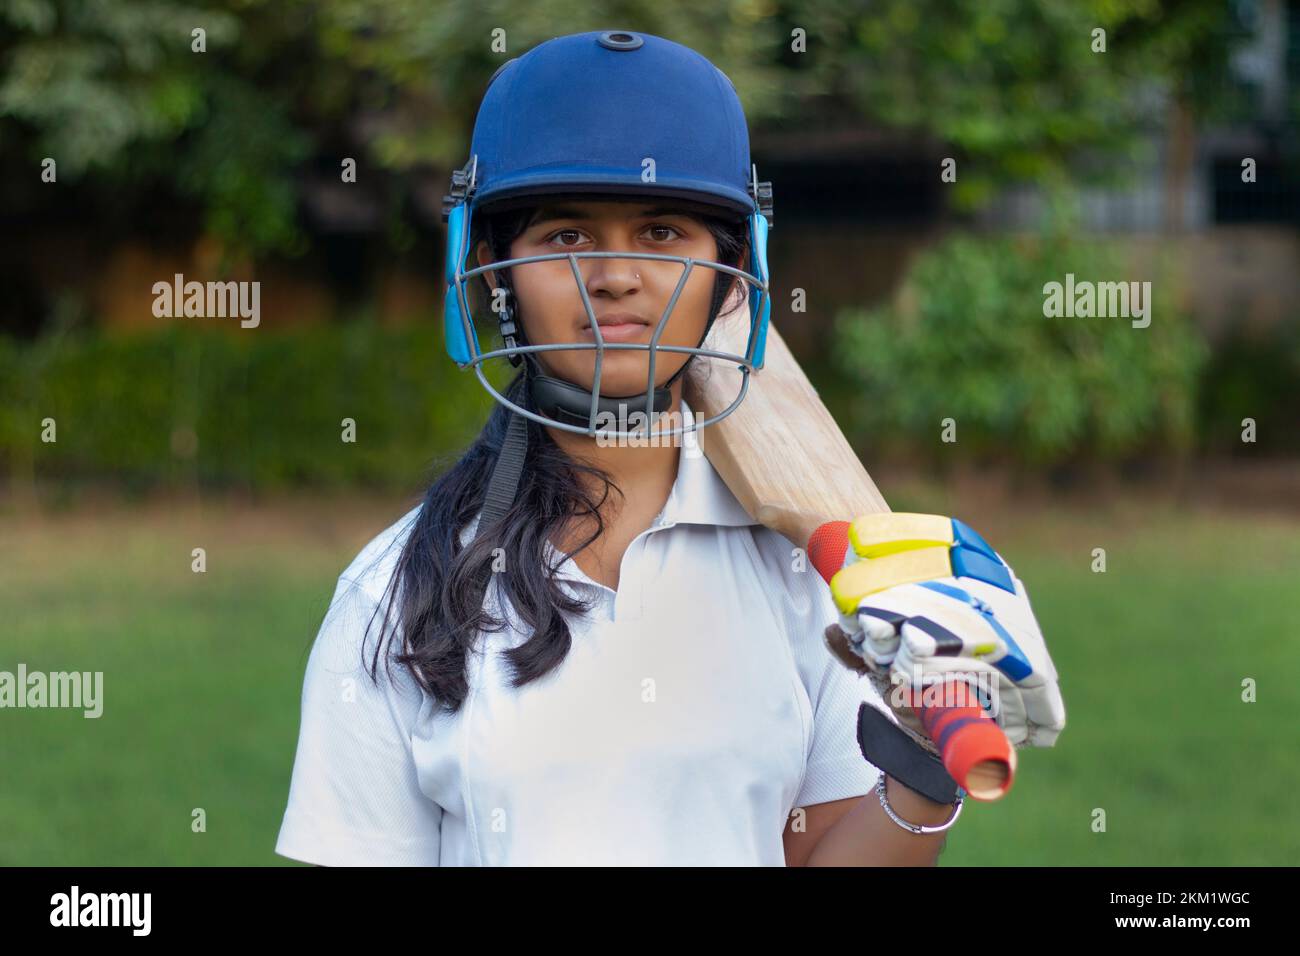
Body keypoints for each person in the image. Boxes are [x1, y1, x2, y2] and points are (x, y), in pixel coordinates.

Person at [274, 30, 1066, 867]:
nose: (617, 276)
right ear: (493, 270)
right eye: (568, 236)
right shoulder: (393, 596)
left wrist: (923, 768)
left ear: (732, 273)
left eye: (661, 233)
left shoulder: (817, 569)